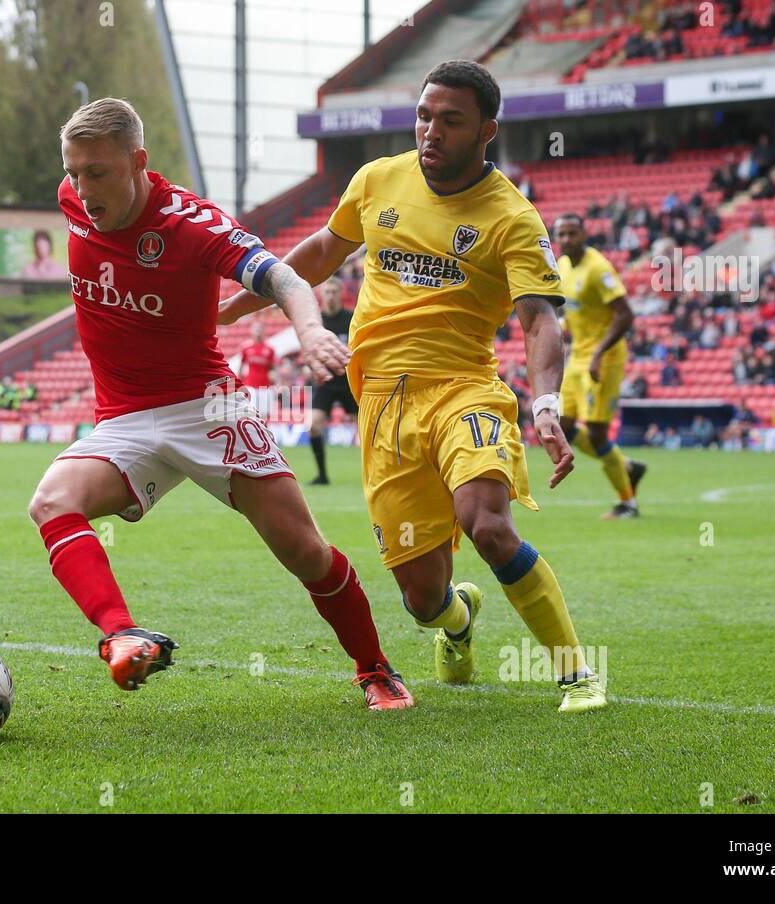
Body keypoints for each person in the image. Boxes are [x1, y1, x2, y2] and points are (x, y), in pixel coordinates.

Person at [221, 60, 605, 712]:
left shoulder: (512, 217)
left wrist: (545, 404)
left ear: (487, 129)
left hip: (464, 390)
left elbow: (541, 322)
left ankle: (576, 672)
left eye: (450, 121)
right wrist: (242, 301)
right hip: (384, 405)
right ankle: (458, 622)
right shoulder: (377, 180)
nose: (431, 132)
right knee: (422, 600)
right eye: (425, 116)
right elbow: (320, 250)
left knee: (487, 526)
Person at [27, 97, 413, 710]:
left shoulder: (191, 223)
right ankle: (121, 635)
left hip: (209, 408)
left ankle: (375, 668)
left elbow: (284, 277)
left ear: (138, 161)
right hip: (124, 418)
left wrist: (311, 331)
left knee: (303, 551)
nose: (81, 186)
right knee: (51, 501)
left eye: (96, 172)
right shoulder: (73, 201)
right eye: (73, 171)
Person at [553, 213, 647, 519]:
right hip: (578, 355)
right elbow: (581, 311)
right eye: (561, 234)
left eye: (572, 233)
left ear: (584, 234)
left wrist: (597, 355)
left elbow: (624, 314)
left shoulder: (598, 268)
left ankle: (627, 503)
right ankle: (626, 466)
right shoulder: (563, 266)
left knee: (596, 433)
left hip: (603, 359)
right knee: (562, 426)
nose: (566, 240)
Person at [303, 278, 356, 485]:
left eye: (334, 291)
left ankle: (381, 474)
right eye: (327, 292)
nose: (331, 296)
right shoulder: (317, 322)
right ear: (322, 295)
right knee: (314, 426)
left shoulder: (352, 319)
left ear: (341, 293)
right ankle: (322, 475)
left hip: (349, 380)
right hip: (325, 380)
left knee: (371, 429)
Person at [237, 322, 277, 418]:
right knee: (251, 413)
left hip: (265, 386)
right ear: (251, 331)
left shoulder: (269, 349)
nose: (258, 332)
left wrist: (276, 383)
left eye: (260, 329)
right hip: (250, 385)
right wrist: (238, 384)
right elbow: (241, 366)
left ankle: (262, 432)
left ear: (264, 332)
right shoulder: (246, 348)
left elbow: (273, 368)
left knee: (264, 415)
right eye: (256, 329)